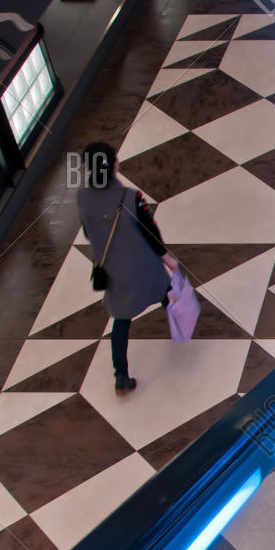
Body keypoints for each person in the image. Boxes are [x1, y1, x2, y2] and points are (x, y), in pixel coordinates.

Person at [75, 141, 174, 394]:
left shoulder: (82, 197)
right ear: (114, 166)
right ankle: (179, 322)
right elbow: (150, 232)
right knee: (166, 291)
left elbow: (88, 232)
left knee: (121, 320)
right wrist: (167, 258)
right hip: (143, 266)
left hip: (113, 271)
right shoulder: (131, 197)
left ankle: (121, 376)